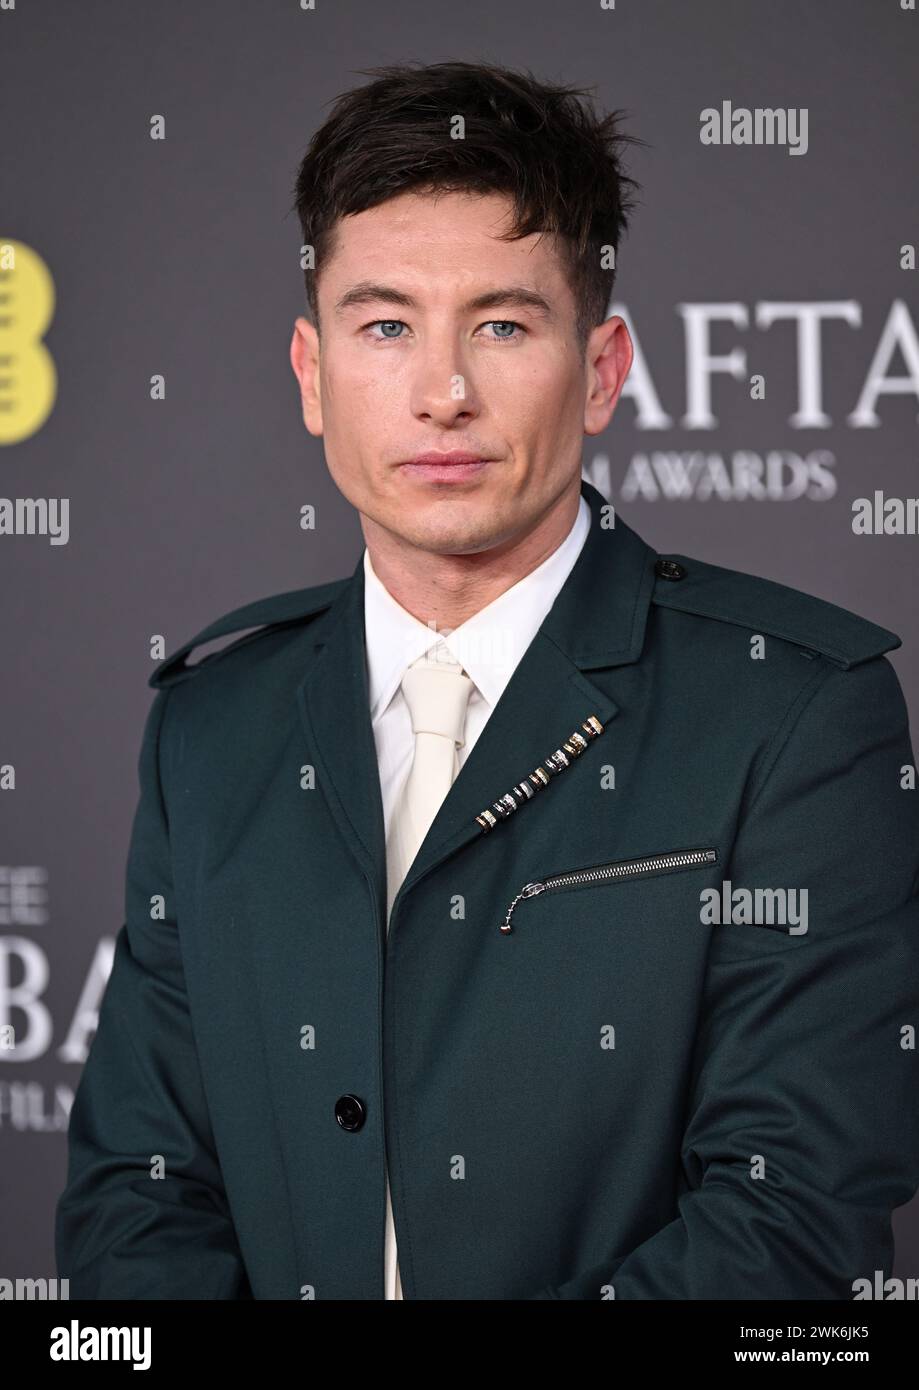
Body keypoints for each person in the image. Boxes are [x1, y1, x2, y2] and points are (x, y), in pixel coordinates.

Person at [56, 60, 919, 1300]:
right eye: (386, 324)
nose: (442, 391)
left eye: (503, 324)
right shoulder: (213, 723)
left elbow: (790, 1222)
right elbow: (138, 1196)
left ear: (604, 367)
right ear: (311, 373)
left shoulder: (791, 711)